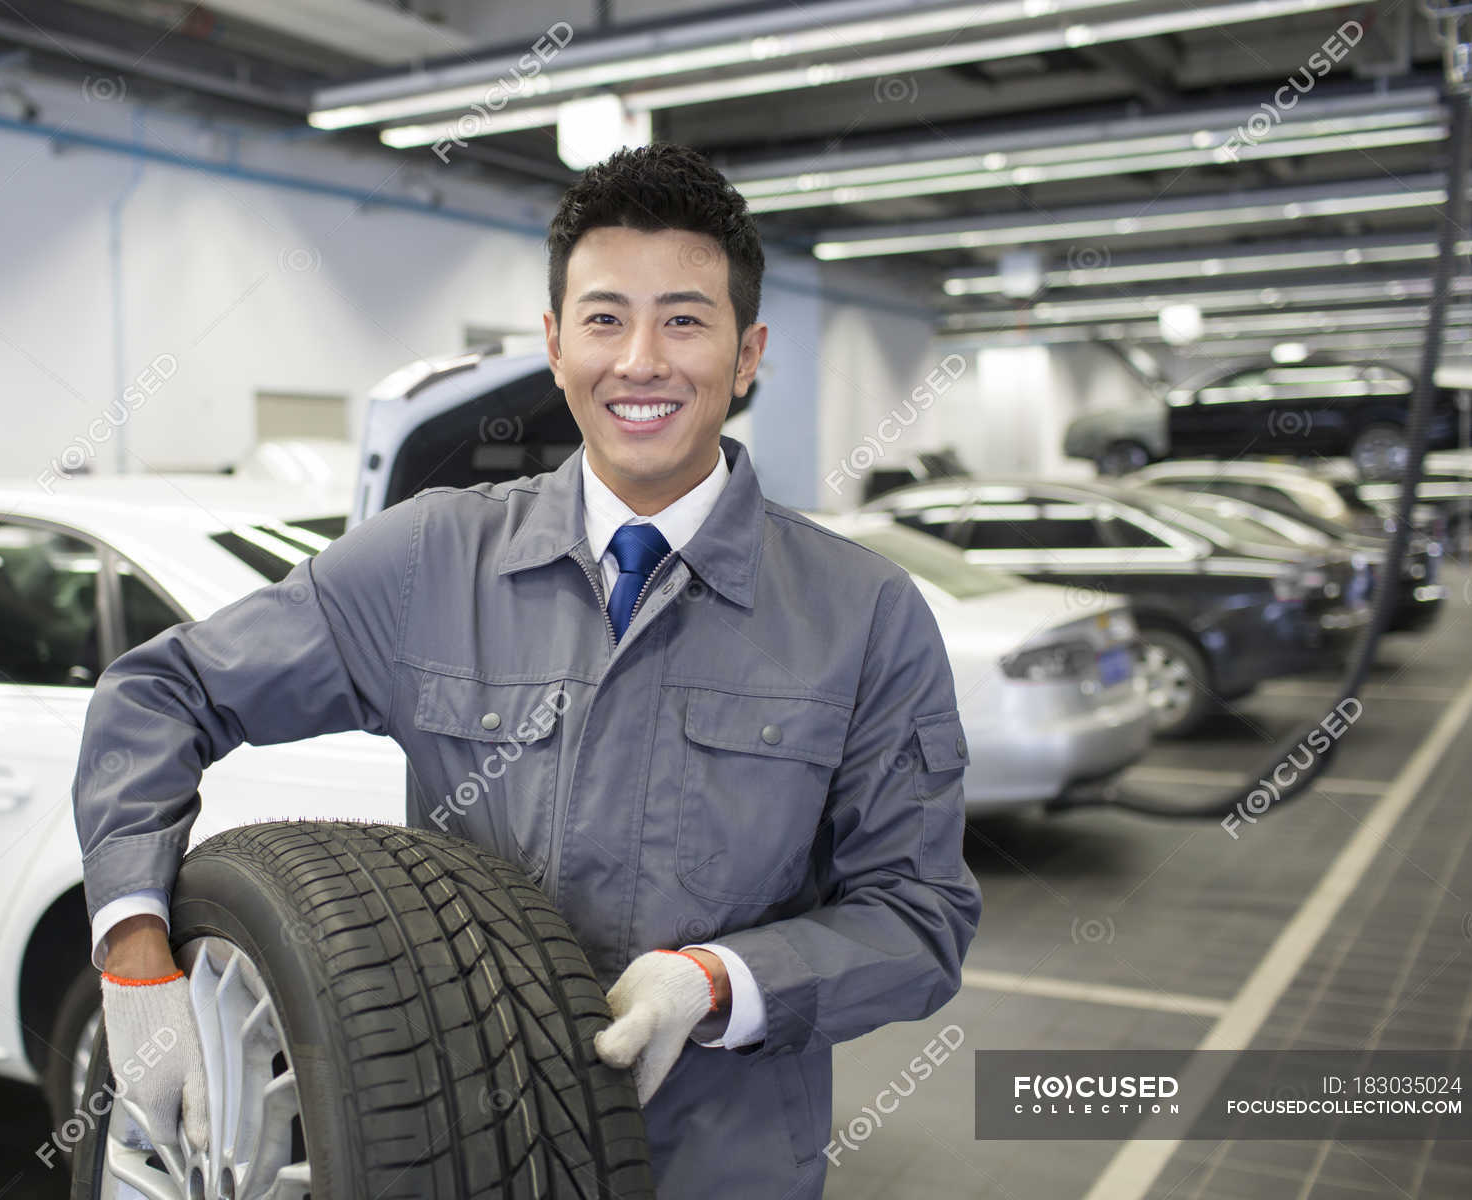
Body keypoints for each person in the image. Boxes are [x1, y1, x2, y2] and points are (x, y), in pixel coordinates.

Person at [72, 141, 981, 1198]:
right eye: (604, 319)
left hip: (718, 1176)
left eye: (685, 319)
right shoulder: (430, 563)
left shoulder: (864, 614)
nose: (641, 360)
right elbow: (159, 693)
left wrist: (718, 984)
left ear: (747, 355)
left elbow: (918, 917)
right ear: (556, 346)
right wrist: (135, 954)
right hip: (464, 1164)